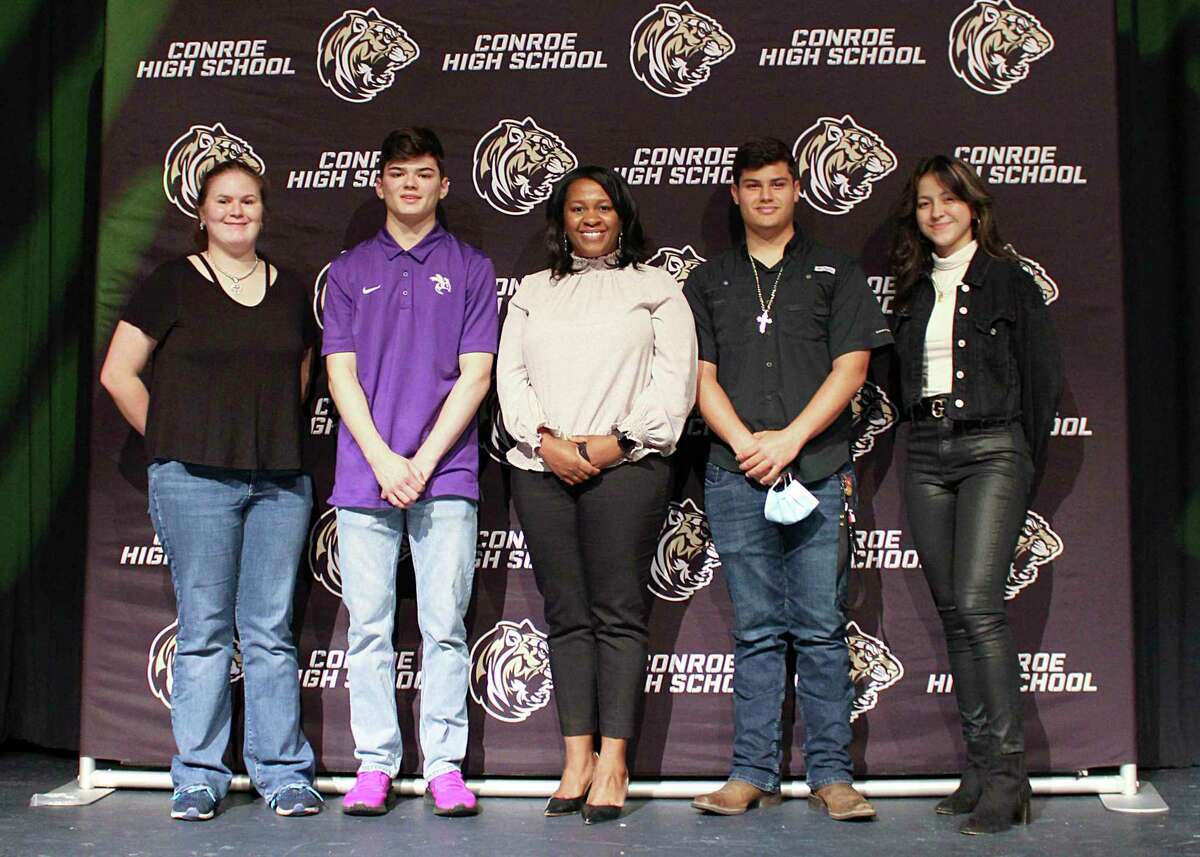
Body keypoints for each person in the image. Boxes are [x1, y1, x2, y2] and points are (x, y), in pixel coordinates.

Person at [99, 161, 321, 821]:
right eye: (222, 200)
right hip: (193, 480)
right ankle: (198, 774)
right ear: (201, 212)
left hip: (278, 481)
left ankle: (283, 773)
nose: (235, 210)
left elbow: (300, 377)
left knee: (270, 632)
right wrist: (173, 437)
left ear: (262, 210)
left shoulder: (289, 291)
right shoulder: (171, 284)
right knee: (203, 631)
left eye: (247, 199)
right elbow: (119, 373)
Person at [685, 137, 891, 821]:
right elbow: (699, 379)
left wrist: (790, 441)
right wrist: (750, 445)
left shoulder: (836, 269)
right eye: (752, 185)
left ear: (797, 189)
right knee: (757, 629)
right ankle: (751, 770)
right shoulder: (708, 279)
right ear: (736, 194)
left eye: (777, 183)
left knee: (821, 626)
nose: (765, 196)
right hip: (734, 471)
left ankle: (832, 773)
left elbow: (852, 369)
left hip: (818, 469)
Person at [496, 165, 697, 824]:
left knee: (617, 613)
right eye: (578, 207)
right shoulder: (531, 290)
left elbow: (674, 383)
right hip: (540, 465)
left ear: (622, 215)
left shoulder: (656, 287)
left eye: (603, 207)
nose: (590, 218)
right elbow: (511, 378)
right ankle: (576, 757)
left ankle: (614, 760)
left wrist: (611, 444)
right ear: (561, 219)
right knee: (566, 615)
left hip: (626, 466)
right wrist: (548, 442)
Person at [322, 127, 497, 818]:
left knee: (444, 625)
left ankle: (444, 766)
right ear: (380, 184)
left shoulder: (473, 267)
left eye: (425, 173)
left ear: (444, 184)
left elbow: (477, 373)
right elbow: (341, 373)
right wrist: (386, 459)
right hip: (367, 475)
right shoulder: (347, 269)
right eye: (399, 173)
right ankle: (375, 765)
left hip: (445, 473)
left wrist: (421, 461)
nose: (412, 184)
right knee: (368, 625)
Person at [887, 154, 1062, 835]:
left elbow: (1042, 385)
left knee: (981, 608)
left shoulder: (1009, 282)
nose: (937, 212)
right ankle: (980, 765)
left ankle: (1008, 778)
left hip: (993, 448)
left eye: (949, 200)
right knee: (955, 613)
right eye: (926, 203)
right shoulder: (911, 290)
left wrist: (1019, 462)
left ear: (974, 207)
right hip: (926, 452)